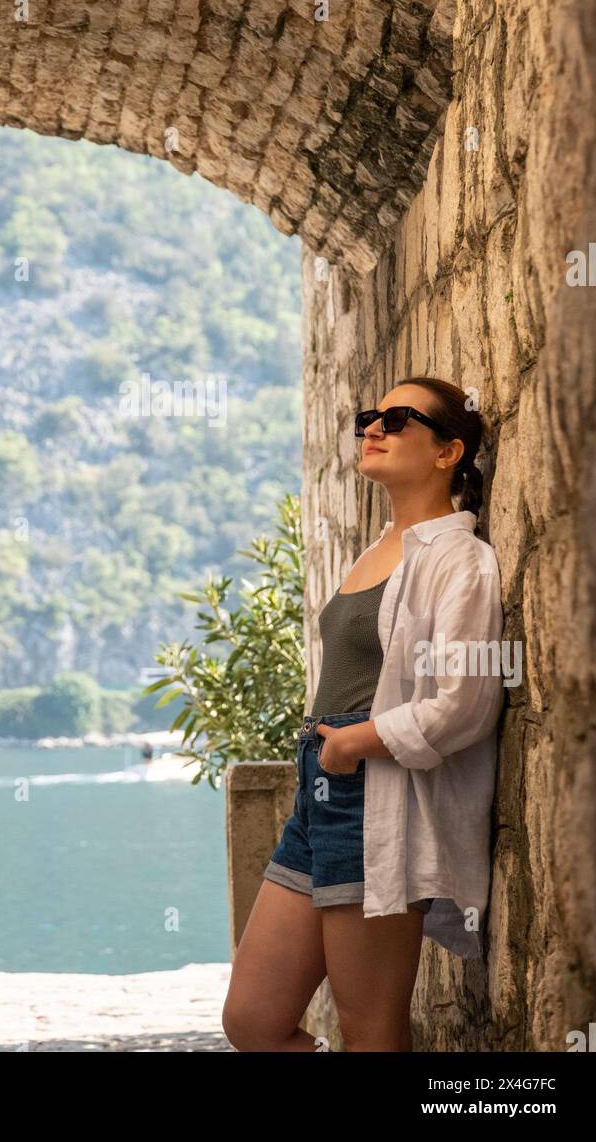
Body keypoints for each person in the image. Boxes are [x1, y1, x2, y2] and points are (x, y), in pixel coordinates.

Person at [222, 377, 505, 1052]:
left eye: (398, 419)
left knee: (368, 1027)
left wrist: (355, 744)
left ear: (448, 452)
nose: (373, 428)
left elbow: (464, 705)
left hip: (372, 794)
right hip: (317, 799)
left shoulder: (459, 560)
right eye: (369, 417)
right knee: (253, 1020)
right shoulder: (378, 549)